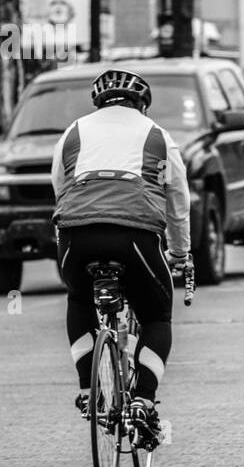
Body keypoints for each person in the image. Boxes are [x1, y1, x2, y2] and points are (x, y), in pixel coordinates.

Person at [51, 69, 191, 445]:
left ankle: (87, 390)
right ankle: (144, 400)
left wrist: (63, 241)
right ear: (142, 105)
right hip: (134, 235)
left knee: (79, 298)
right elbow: (177, 203)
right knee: (157, 317)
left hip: (75, 234)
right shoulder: (158, 135)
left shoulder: (72, 132)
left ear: (98, 102)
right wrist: (180, 252)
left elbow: (60, 189)